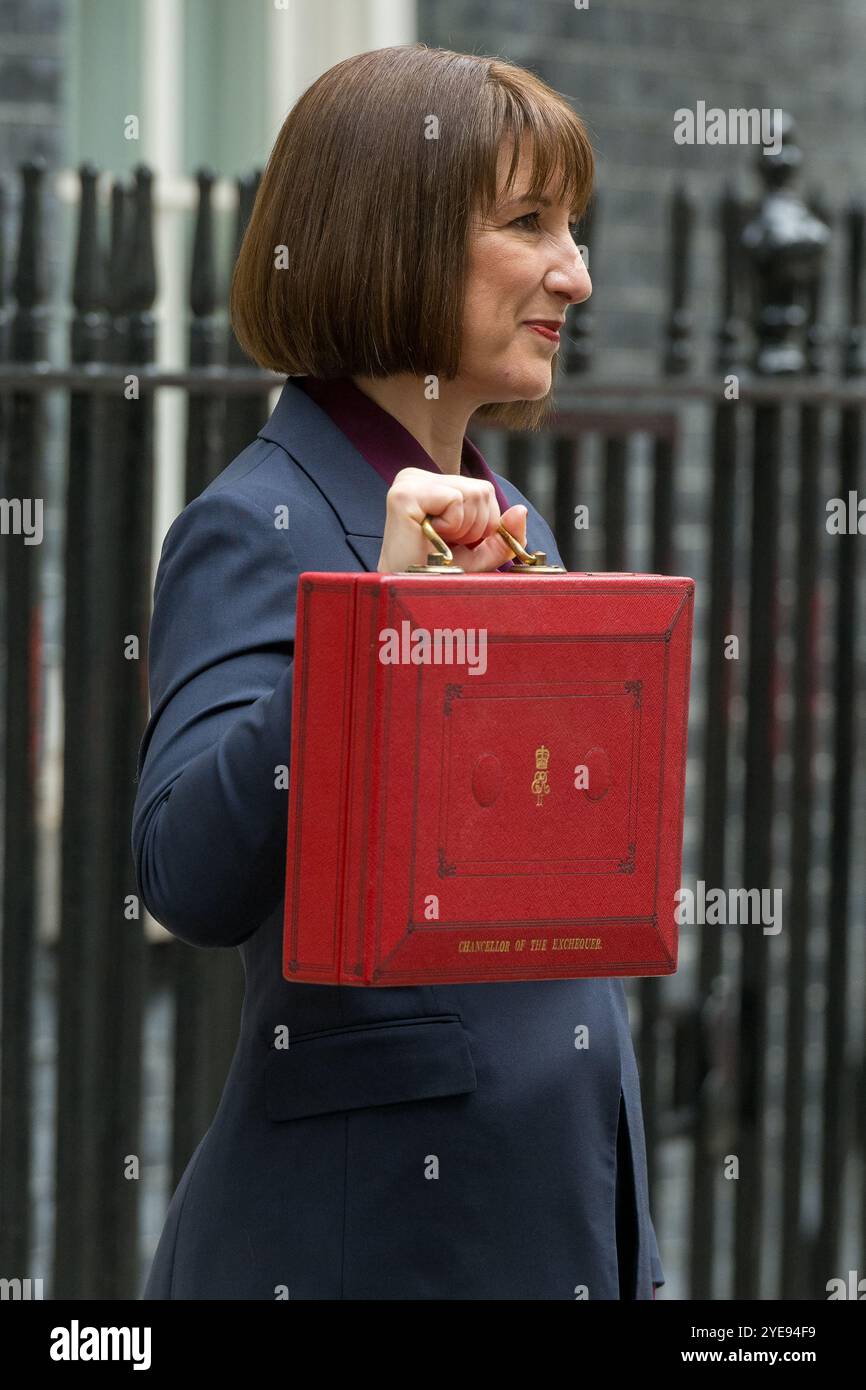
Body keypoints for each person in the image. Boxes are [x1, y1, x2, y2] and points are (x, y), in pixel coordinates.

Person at [132, 41, 665, 1300]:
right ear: (398, 234)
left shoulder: (507, 508)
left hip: (557, 1220)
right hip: (368, 1245)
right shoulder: (255, 517)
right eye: (528, 222)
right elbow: (181, 872)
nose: (574, 275)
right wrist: (375, 622)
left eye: (573, 228)